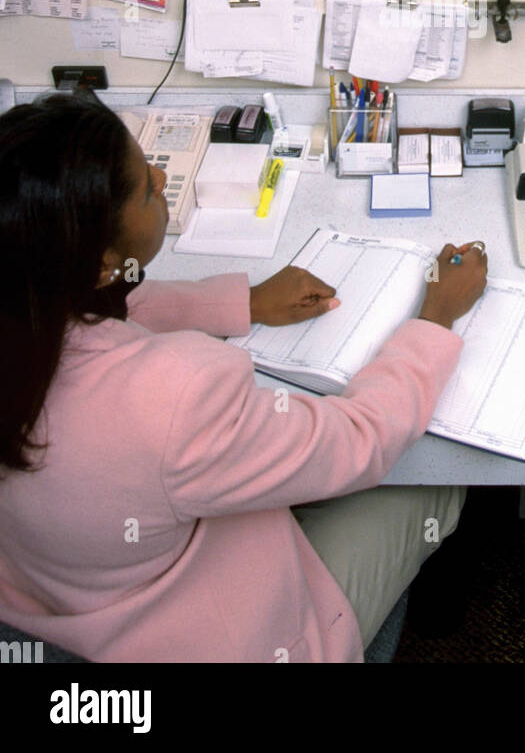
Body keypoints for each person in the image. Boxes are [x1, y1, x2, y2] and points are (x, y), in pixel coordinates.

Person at [0, 94, 487, 662]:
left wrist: (245, 301)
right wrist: (436, 318)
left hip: (69, 604)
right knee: (434, 473)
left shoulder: (25, 303)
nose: (161, 177)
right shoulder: (175, 396)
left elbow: (102, 309)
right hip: (228, 637)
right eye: (143, 187)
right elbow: (362, 439)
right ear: (100, 262)